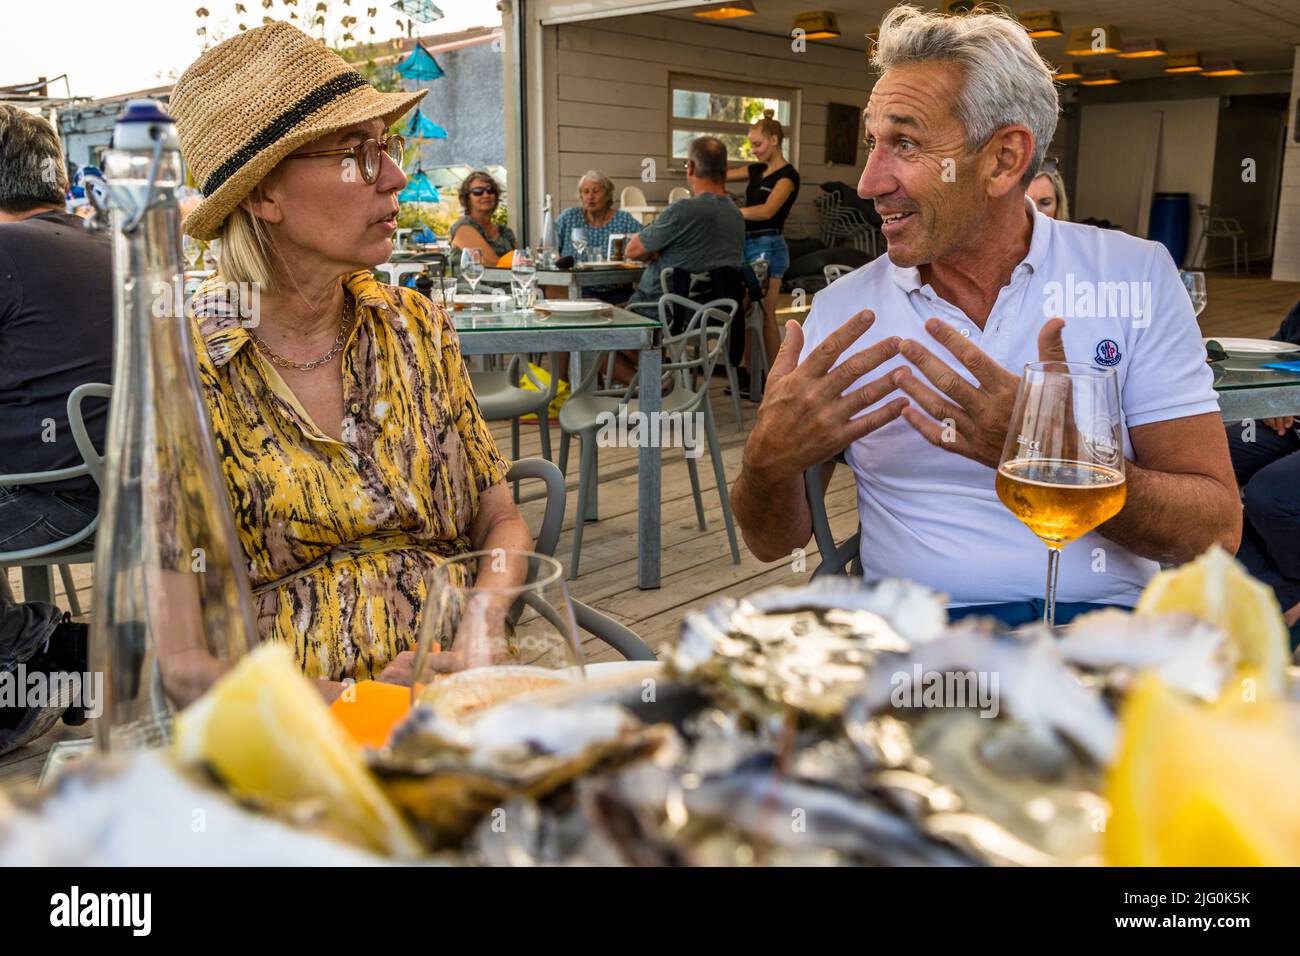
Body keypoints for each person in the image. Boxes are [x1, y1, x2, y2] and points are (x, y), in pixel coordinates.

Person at [730, 5, 1241, 626]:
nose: (868, 182)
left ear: (1003, 160)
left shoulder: (1130, 276)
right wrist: (766, 459)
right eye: (873, 143)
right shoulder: (844, 310)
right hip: (918, 649)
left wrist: (1054, 459)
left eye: (906, 143)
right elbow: (771, 542)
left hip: (1096, 640)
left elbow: (1214, 530)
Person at [169, 22, 532, 698]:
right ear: (262, 195)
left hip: (465, 702)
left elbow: (500, 518)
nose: (395, 176)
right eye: (356, 153)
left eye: (385, 147)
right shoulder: (185, 372)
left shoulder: (418, 326)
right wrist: (355, 708)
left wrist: (483, 622)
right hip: (297, 743)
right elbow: (182, 660)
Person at [0, 105, 110, 751]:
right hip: (125, 488)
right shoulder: (111, 246)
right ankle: (51, 647)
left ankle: (33, 651)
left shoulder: (8, 249)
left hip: (54, 496)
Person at [1226, 300, 1300, 648]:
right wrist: (1275, 397)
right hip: (1290, 425)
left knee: (1269, 494)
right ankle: (1285, 595)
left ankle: (1285, 600)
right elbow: (1276, 353)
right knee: (1201, 462)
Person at [727, 109, 800, 384]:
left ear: (774, 140)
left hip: (770, 244)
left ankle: (776, 378)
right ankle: (749, 373)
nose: (753, 150)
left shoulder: (788, 176)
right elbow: (721, 173)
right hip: (746, 243)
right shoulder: (757, 169)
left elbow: (769, 211)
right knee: (745, 310)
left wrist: (733, 213)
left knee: (766, 312)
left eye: (757, 144)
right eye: (751, 144)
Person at [449, 170, 516, 267]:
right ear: (467, 198)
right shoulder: (463, 228)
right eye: (478, 191)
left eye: (490, 190)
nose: (486, 195)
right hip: (471, 282)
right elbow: (494, 265)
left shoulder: (506, 232)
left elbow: (520, 264)